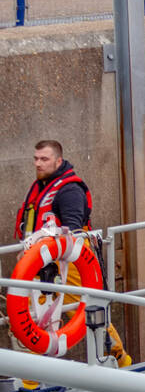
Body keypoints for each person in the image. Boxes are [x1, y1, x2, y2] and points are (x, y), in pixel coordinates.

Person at [13, 139, 130, 367]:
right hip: (39, 265)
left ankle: (123, 363)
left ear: (58, 160)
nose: (38, 164)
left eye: (44, 159)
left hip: (69, 267)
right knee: (32, 323)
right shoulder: (40, 186)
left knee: (91, 315)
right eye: (36, 159)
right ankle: (30, 386)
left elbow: (74, 232)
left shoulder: (69, 191)